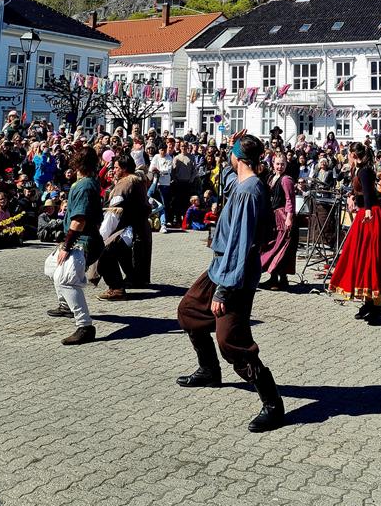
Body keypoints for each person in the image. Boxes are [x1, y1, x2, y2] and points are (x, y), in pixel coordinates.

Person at [176, 133, 284, 433]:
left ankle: (272, 402)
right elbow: (227, 177)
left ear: (239, 157)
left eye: (231, 153)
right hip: (219, 268)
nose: (228, 158)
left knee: (231, 341)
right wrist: (230, 148)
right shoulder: (242, 182)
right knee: (189, 311)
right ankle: (209, 371)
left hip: (234, 276)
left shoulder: (250, 191)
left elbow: (241, 242)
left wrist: (224, 289)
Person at [329, 142, 381, 324]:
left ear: (353, 155)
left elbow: (367, 192)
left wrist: (366, 211)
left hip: (370, 216)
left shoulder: (364, 171)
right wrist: (351, 196)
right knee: (360, 257)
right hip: (366, 214)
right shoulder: (358, 170)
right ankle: (368, 301)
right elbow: (360, 191)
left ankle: (376, 304)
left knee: (369, 257)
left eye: (348, 153)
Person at [46, 146, 104, 345]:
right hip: (82, 239)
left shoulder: (84, 186)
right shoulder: (87, 183)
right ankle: (65, 306)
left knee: (66, 279)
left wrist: (66, 246)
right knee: (53, 267)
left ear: (77, 164)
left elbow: (79, 220)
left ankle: (84, 326)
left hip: (83, 241)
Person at [96, 155, 152, 301]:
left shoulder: (125, 185)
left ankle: (116, 288)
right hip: (138, 228)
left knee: (106, 253)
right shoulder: (137, 181)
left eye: (116, 168)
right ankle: (134, 278)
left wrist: (101, 237)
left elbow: (114, 213)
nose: (113, 170)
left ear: (124, 169)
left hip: (129, 229)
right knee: (124, 254)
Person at [260, 153, 298, 290]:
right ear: (273, 164)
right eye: (277, 163)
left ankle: (281, 280)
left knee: (282, 247)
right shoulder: (272, 178)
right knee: (272, 246)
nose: (280, 166)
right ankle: (273, 278)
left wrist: (289, 218)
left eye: (282, 164)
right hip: (273, 216)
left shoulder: (286, 179)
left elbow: (290, 200)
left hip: (282, 216)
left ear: (286, 165)